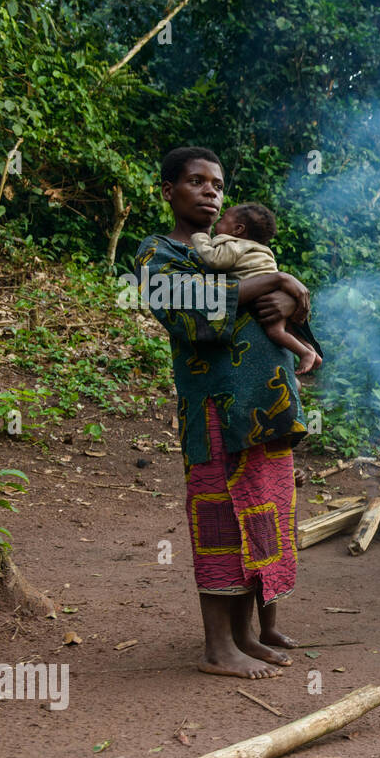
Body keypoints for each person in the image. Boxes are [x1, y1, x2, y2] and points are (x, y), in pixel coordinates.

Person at [135, 146, 310, 679]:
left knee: (265, 512)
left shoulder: (245, 249)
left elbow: (286, 317)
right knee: (217, 515)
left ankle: (246, 634)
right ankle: (217, 647)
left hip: (268, 407)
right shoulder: (157, 252)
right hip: (212, 409)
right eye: (196, 181)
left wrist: (294, 302)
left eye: (216, 183)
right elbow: (192, 307)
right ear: (170, 191)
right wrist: (283, 284)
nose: (210, 190)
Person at [190, 203, 322, 378]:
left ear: (238, 229)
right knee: (289, 328)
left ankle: (305, 353)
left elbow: (215, 260)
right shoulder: (261, 249)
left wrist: (201, 238)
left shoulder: (233, 244)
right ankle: (311, 350)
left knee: (276, 332)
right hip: (278, 294)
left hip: (264, 296)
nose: (218, 223)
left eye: (222, 220)